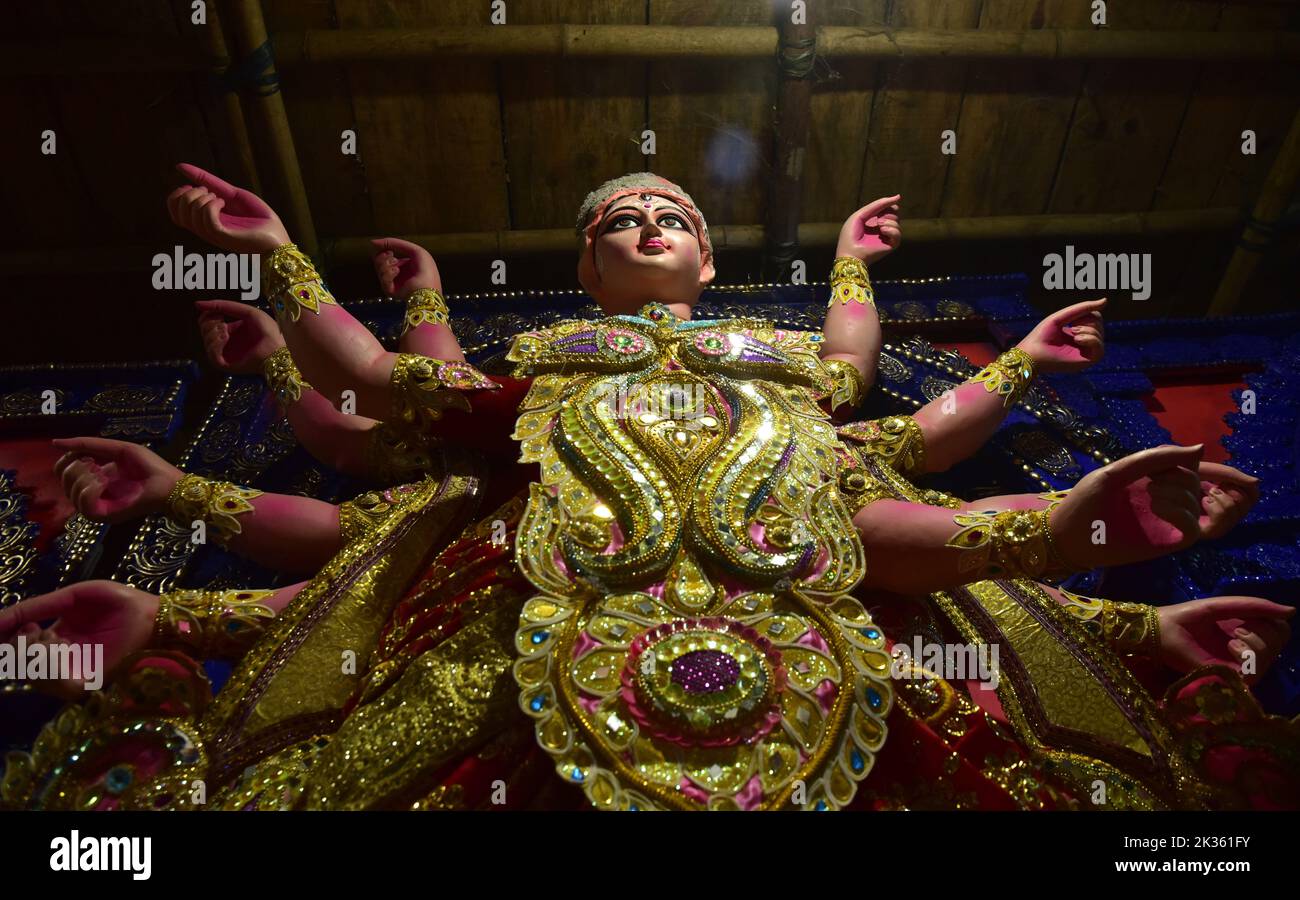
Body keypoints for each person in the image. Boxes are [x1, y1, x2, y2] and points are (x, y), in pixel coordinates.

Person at [1, 169, 1293, 812]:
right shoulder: (548, 365)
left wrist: (932, 310)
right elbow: (384, 389)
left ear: (712, 256)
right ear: (585, 264)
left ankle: (1056, 542)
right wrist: (284, 262)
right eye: (616, 220)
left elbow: (866, 391)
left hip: (811, 571)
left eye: (668, 212)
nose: (644, 226)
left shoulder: (777, 366)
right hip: (538, 604)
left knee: (912, 636)